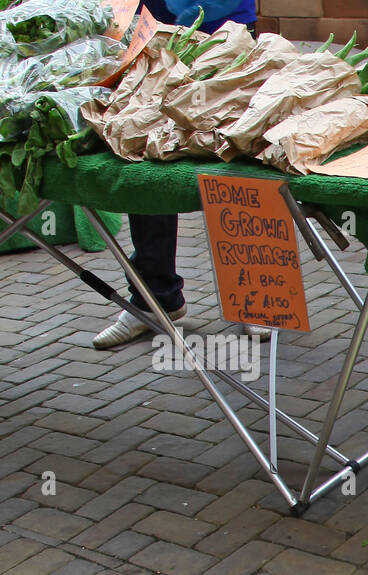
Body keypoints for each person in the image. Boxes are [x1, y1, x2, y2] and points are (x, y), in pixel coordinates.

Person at [92, 0, 262, 349]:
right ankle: (155, 299)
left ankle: (257, 300)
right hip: (150, 31)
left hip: (222, 25)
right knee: (144, 154)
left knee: (235, 162)